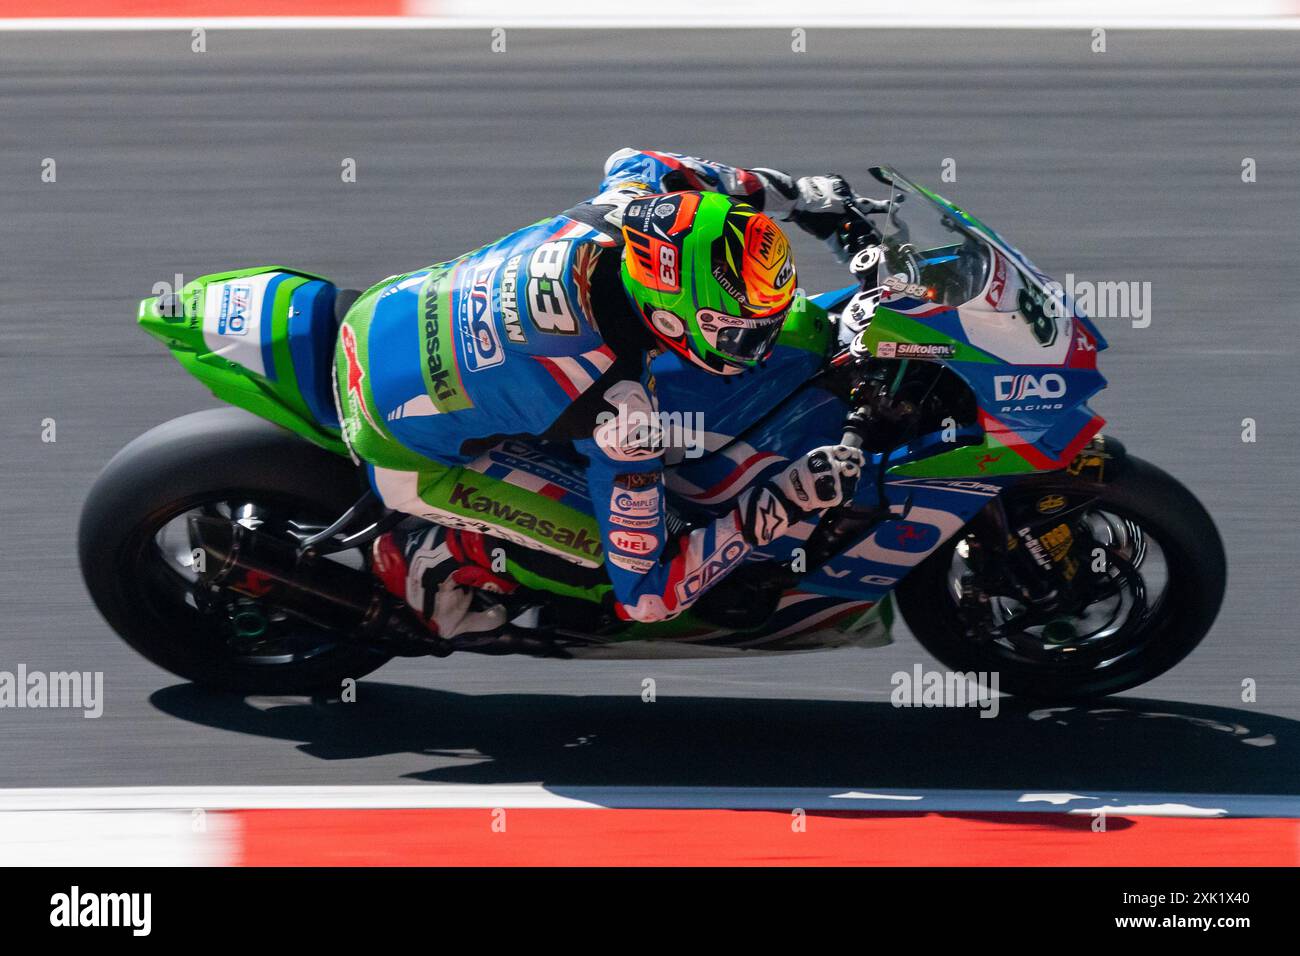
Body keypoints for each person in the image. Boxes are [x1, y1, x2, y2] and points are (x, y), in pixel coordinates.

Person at [334, 148, 864, 639]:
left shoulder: (629, 205)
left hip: (380, 313)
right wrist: (786, 498)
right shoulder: (622, 411)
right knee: (614, 555)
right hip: (401, 449)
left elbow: (639, 159)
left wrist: (787, 196)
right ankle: (440, 554)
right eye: (741, 332)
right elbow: (649, 598)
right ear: (667, 314)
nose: (759, 342)